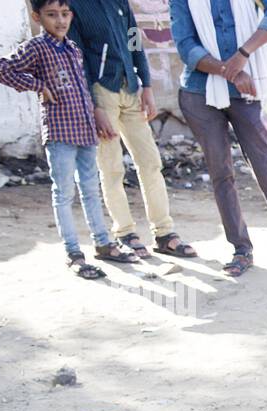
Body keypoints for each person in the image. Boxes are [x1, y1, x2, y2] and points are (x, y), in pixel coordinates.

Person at [169, 0, 267, 278]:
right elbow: (186, 46)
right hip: (200, 92)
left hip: (249, 88)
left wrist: (243, 54)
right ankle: (241, 249)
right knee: (221, 173)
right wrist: (227, 70)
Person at [0, 0, 139, 280]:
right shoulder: (36, 47)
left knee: (91, 189)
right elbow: (1, 69)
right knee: (63, 193)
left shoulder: (73, 48)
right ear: (37, 17)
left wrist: (95, 117)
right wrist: (38, 86)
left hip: (84, 130)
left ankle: (103, 243)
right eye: (51, 15)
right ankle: (73, 252)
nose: (60, 21)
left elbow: (83, 86)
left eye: (64, 14)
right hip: (60, 132)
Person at [67, 0, 198, 260]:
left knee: (150, 163)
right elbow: (77, 60)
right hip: (102, 92)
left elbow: (134, 41)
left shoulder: (120, 2)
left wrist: (146, 85)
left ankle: (164, 233)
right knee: (112, 167)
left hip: (130, 89)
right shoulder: (74, 6)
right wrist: (94, 106)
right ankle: (125, 233)